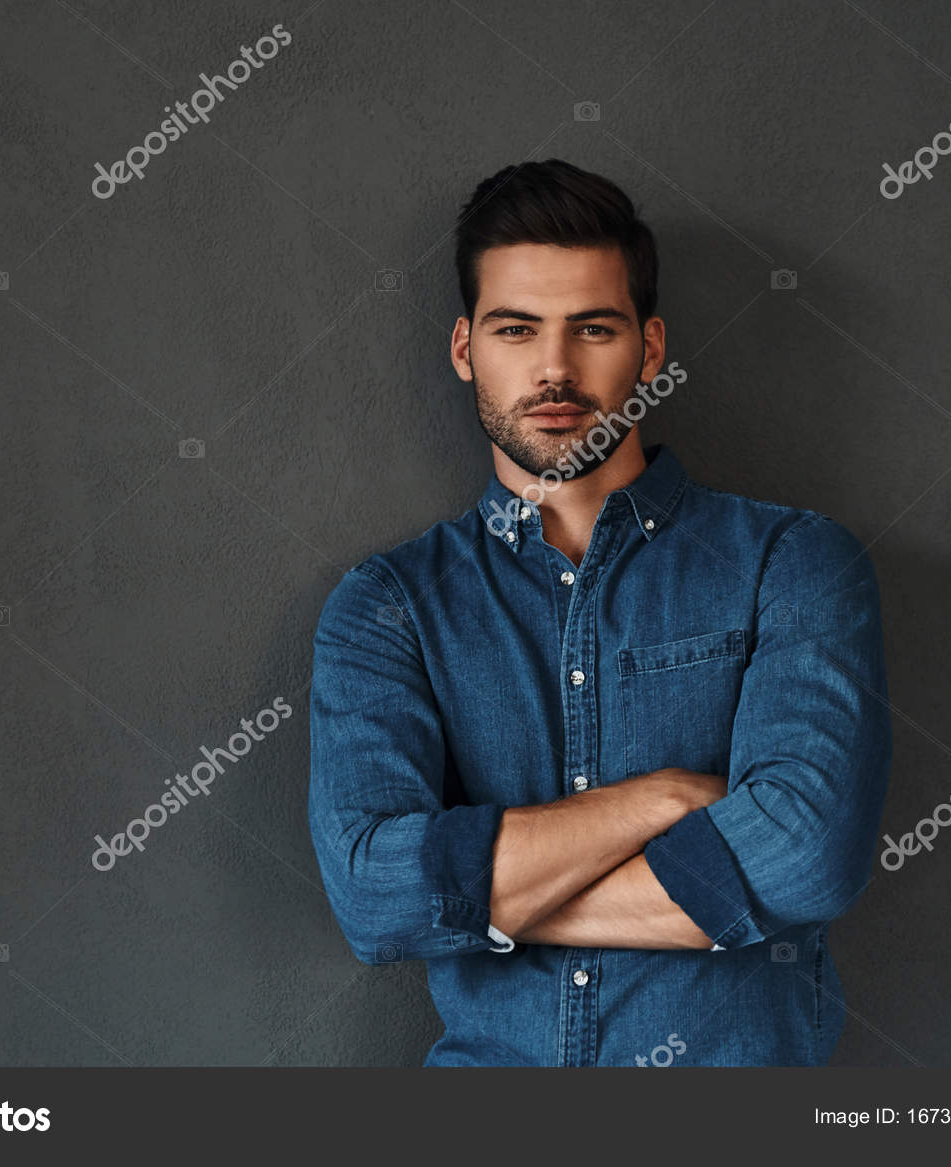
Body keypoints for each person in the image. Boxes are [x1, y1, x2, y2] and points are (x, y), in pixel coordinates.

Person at [307, 158, 892, 1066]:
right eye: (516, 328)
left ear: (650, 349)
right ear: (464, 348)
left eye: (593, 327)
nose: (554, 367)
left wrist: (481, 904)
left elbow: (804, 855)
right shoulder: (389, 607)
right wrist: (658, 801)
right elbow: (372, 898)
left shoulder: (792, 561)